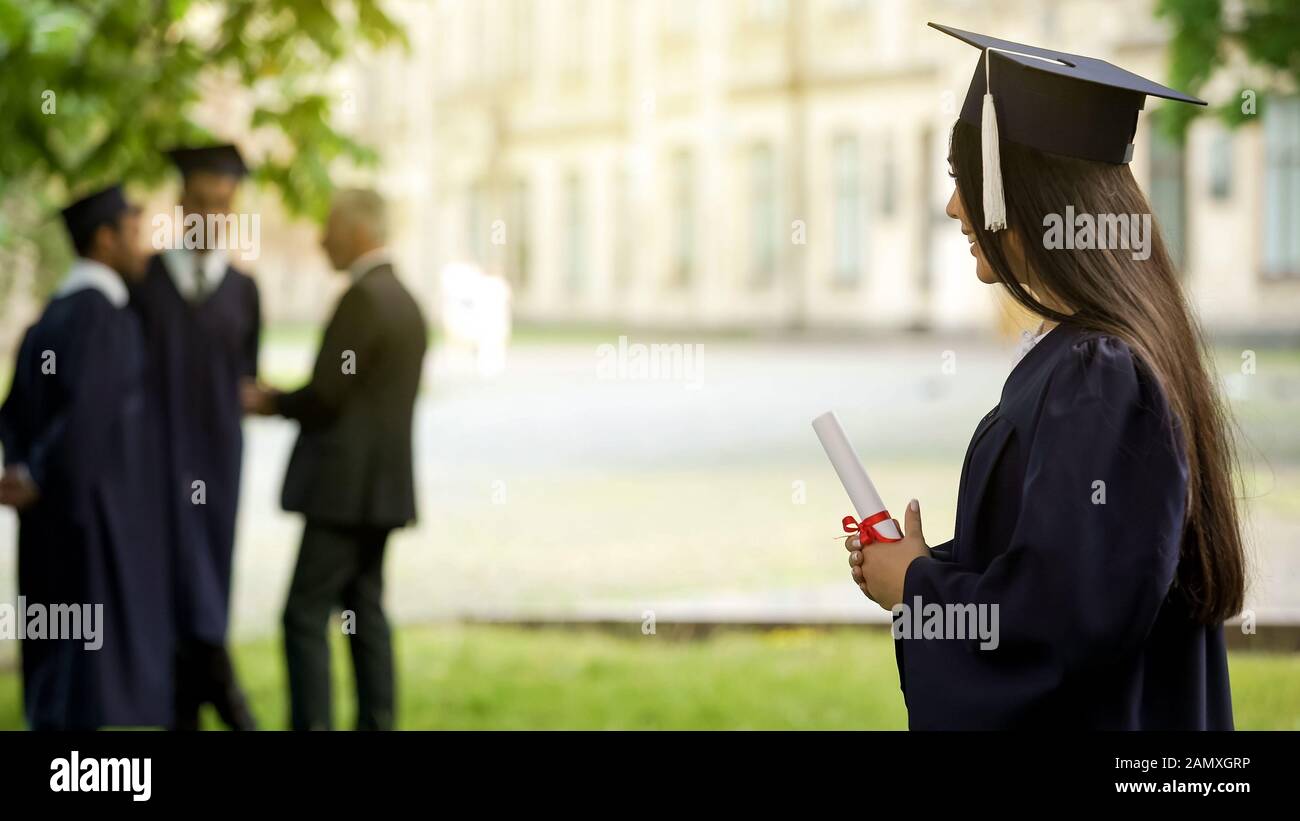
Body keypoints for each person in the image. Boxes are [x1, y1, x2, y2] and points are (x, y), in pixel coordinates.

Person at [844, 24, 1243, 730]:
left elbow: (1063, 620)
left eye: (961, 180)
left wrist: (916, 586)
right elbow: (1074, 567)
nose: (953, 207)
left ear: (1021, 194)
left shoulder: (1103, 375)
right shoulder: (1098, 355)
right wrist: (928, 564)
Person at [243, 188, 428, 730]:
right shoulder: (406, 301)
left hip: (344, 493)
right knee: (363, 612)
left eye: (331, 227)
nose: (321, 239)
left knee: (303, 614)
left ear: (359, 231)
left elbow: (329, 393)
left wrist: (270, 401)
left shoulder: (363, 300)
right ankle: (377, 721)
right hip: (383, 492)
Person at [0, 185, 172, 729]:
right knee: (85, 676)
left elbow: (15, 410)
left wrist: (21, 471)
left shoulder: (53, 313)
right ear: (105, 238)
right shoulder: (103, 316)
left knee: (52, 657)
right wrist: (43, 475)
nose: (145, 249)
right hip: (89, 520)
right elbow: (88, 417)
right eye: (136, 234)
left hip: (45, 521)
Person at [132, 144, 261, 730]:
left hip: (218, 464)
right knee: (169, 590)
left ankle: (186, 714)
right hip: (156, 462)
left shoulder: (244, 291)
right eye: (203, 201)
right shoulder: (147, 282)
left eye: (224, 204)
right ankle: (230, 707)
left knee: (208, 581)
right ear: (181, 204)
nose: (213, 214)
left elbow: (247, 383)